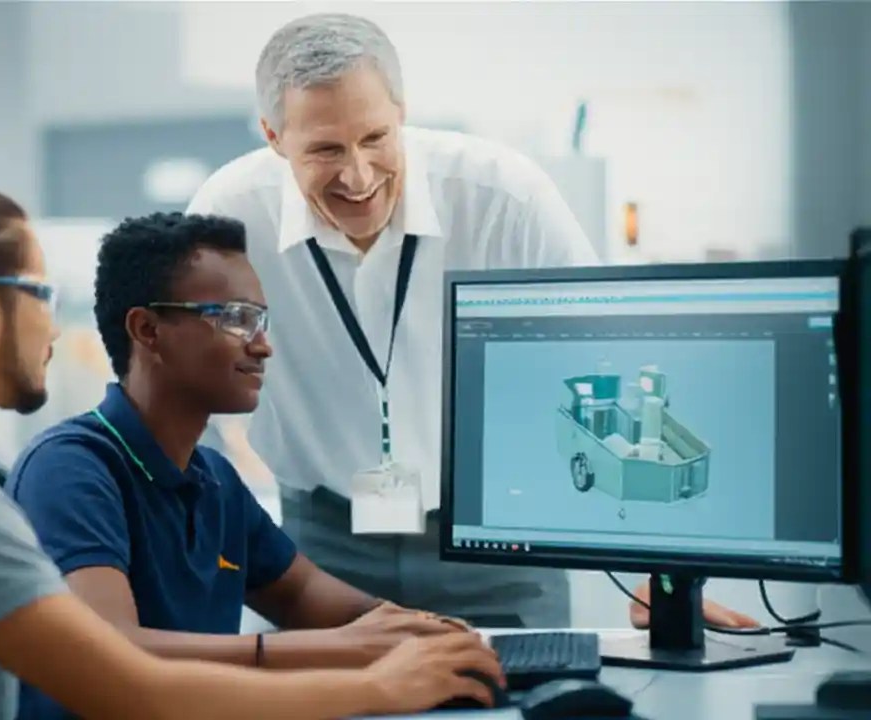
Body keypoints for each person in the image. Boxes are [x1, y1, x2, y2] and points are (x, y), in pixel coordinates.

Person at [0, 183, 505, 720]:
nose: (54, 329)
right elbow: (132, 687)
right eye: (42, 296)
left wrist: (411, 633)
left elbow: (300, 594)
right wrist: (375, 682)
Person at [185, 12, 759, 631]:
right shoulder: (229, 216)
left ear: (402, 111)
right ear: (274, 137)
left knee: (539, 681)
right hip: (321, 548)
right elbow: (178, 381)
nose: (358, 175)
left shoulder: (505, 198)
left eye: (375, 137)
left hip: (501, 533)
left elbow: (609, 360)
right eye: (326, 149)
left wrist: (659, 564)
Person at [8, 212, 501, 720]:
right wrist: (346, 651)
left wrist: (420, 631)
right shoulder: (69, 469)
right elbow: (111, 647)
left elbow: (302, 592)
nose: (263, 345)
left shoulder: (214, 477)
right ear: (148, 330)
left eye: (261, 321)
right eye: (236, 319)